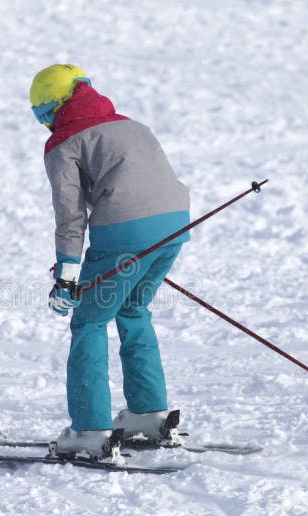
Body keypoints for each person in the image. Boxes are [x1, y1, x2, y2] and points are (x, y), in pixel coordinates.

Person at [30, 64, 191, 458]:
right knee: (134, 310)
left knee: (89, 321)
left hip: (123, 235)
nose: (45, 123)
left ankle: (89, 431)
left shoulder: (64, 143)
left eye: (42, 114)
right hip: (174, 226)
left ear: (53, 108)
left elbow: (70, 218)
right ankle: (147, 414)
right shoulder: (134, 126)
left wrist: (67, 277)